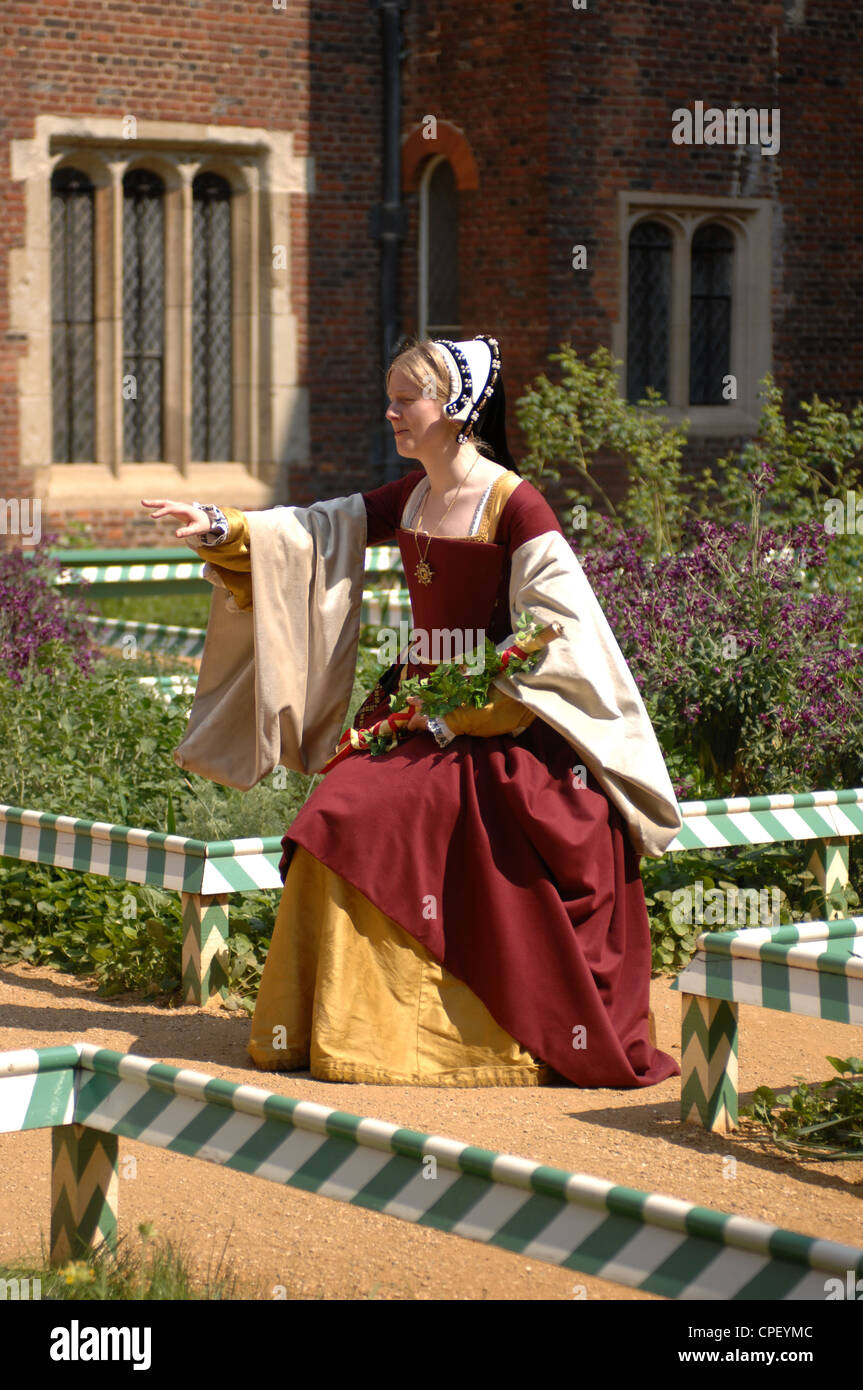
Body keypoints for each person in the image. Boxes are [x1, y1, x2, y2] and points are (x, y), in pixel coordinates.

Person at [141, 334, 683, 1089]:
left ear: (456, 408)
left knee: (362, 816)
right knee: (336, 810)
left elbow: (556, 632)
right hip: (419, 717)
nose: (389, 411)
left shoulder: (514, 506)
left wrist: (476, 700)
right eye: (391, 397)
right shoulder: (416, 494)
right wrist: (222, 526)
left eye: (406, 399)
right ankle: (331, 1028)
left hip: (501, 728)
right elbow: (315, 530)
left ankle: (438, 1041)